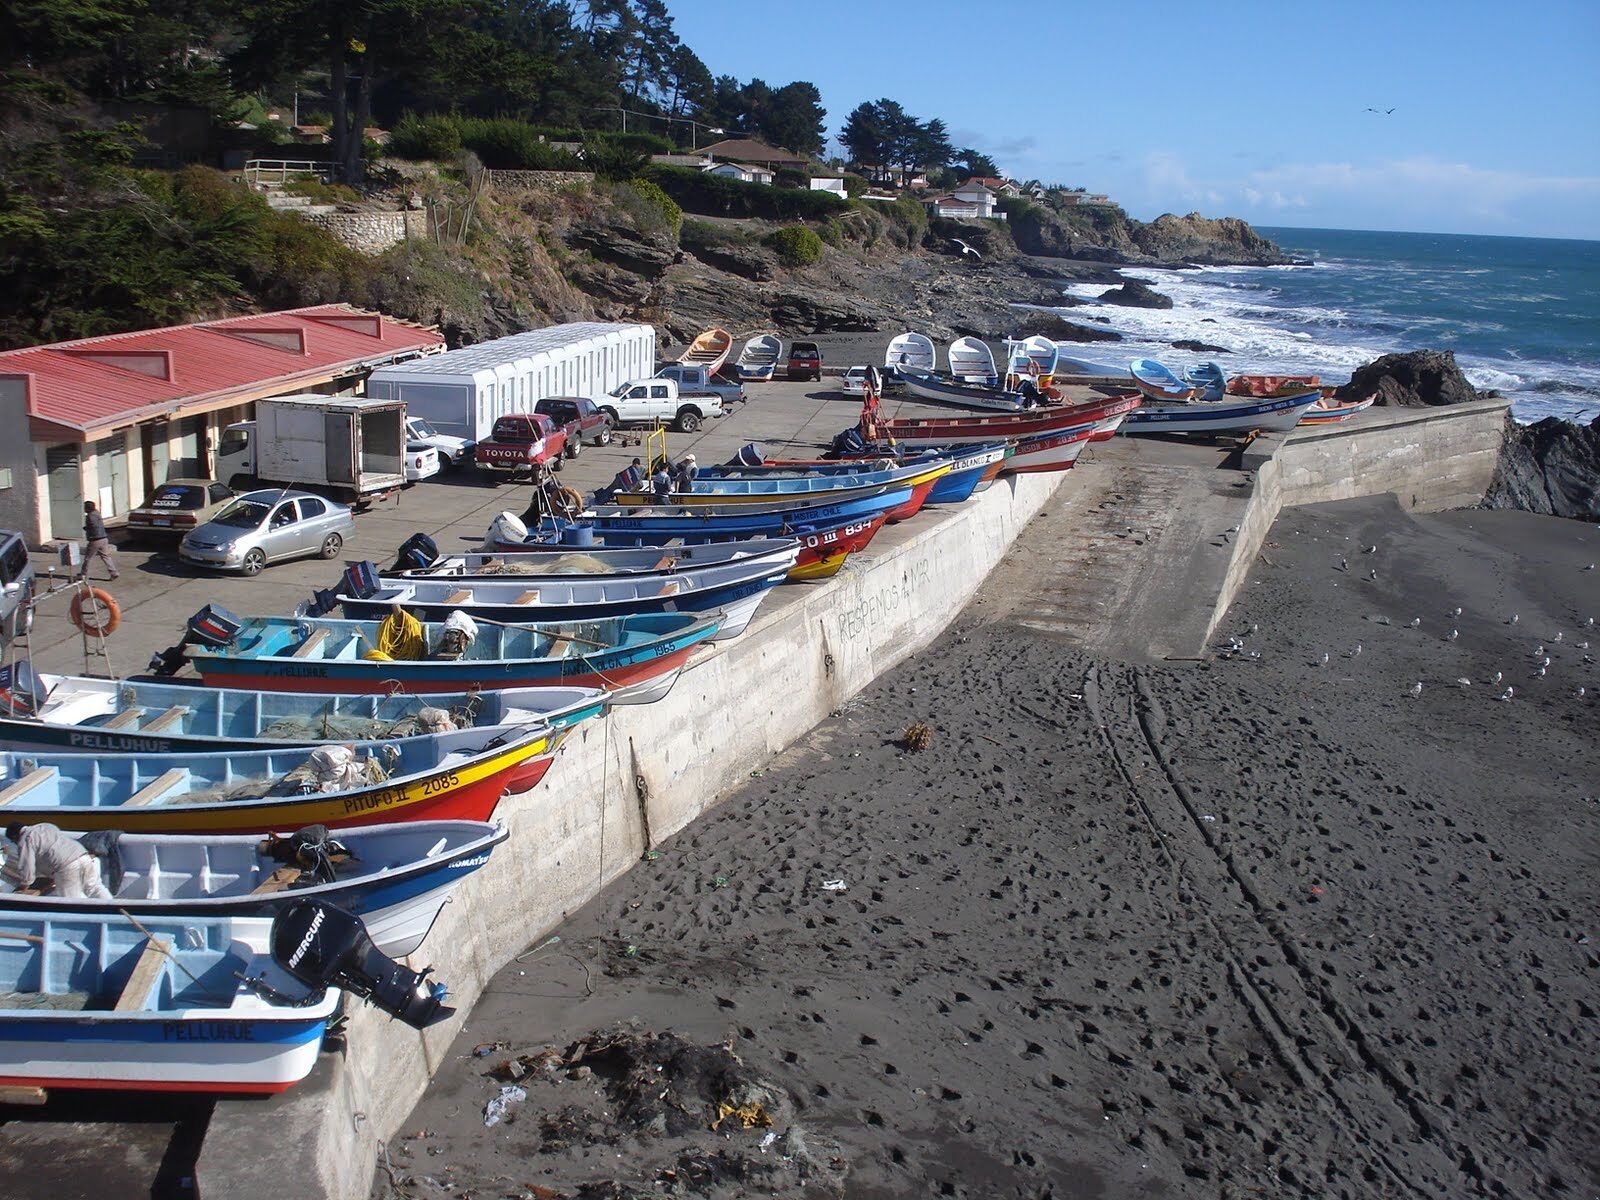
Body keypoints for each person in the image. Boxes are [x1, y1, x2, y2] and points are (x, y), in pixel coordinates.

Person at [5, 822, 114, 899]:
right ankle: (112, 910)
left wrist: (24, 884)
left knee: (70, 900)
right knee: (95, 888)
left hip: (66, 865)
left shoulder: (25, 840)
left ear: (15, 836)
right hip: (83, 855)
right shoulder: (45, 826)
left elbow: (27, 865)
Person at [81, 500, 119, 582]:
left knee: (88, 558)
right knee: (105, 556)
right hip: (104, 538)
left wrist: (87, 528)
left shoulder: (90, 516)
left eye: (85, 508)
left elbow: (94, 526)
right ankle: (113, 572)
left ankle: (84, 574)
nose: (84, 509)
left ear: (88, 508)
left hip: (95, 539)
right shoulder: (97, 513)